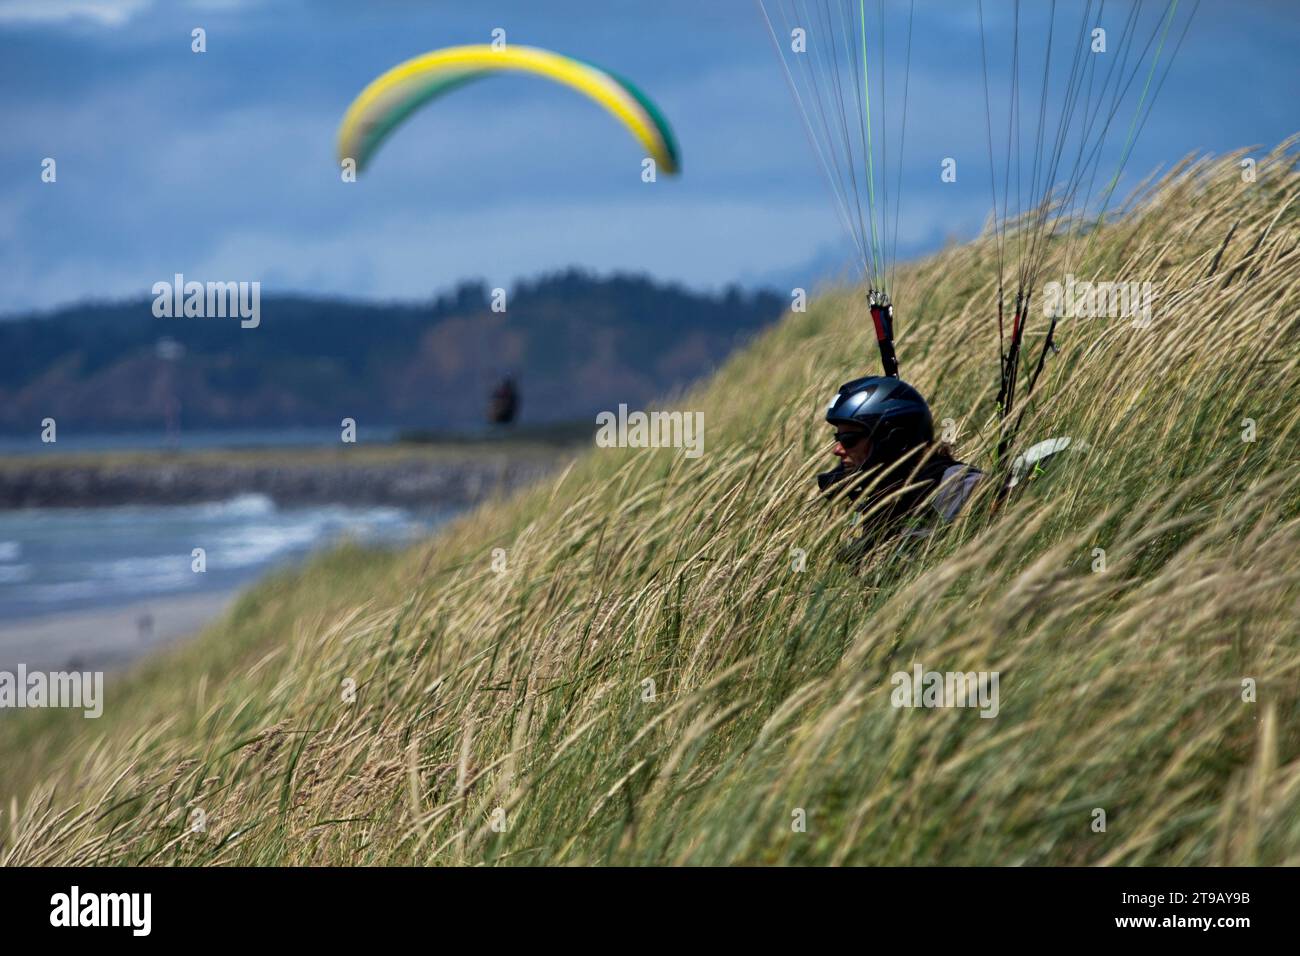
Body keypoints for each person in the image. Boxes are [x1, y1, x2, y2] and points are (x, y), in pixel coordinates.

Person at [817, 375, 982, 543]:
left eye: (849, 439)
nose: (837, 450)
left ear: (894, 440)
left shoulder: (958, 486)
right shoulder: (875, 506)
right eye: (838, 439)